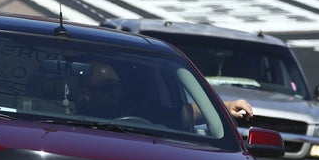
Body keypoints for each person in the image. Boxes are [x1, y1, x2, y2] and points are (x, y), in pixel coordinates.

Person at [76, 61, 253, 122]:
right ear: (86, 94)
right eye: (108, 87)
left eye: (118, 86)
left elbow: (188, 112)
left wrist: (227, 106)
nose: (116, 92)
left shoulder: (145, 114)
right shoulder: (69, 119)